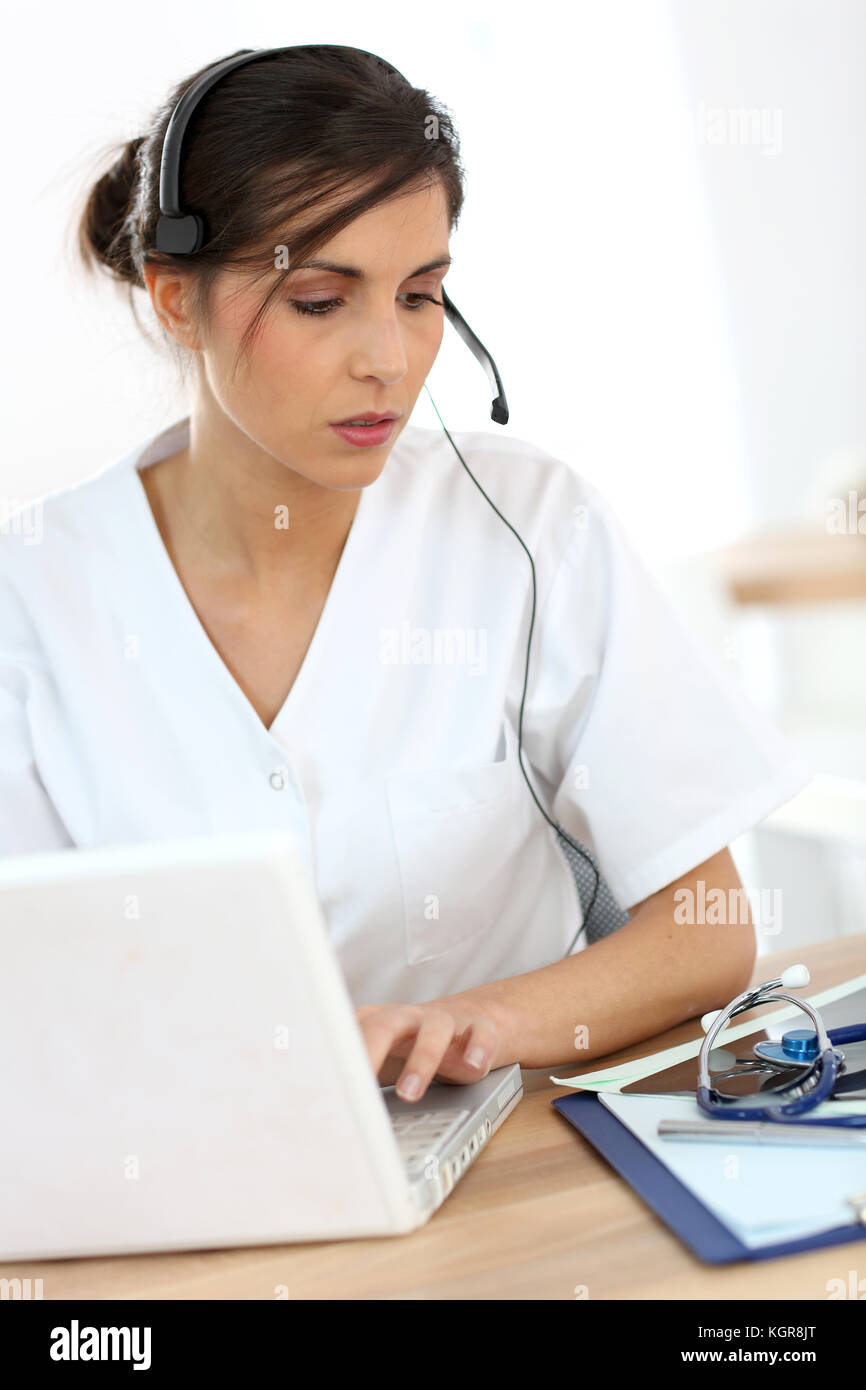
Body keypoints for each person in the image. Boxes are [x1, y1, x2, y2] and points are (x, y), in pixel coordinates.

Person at [1, 45, 810, 1104]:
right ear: (173, 299)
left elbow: (704, 935)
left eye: (421, 294)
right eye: (321, 302)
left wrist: (476, 1022)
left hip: (519, 1169)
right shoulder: (36, 595)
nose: (388, 356)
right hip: (190, 1189)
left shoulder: (527, 526)